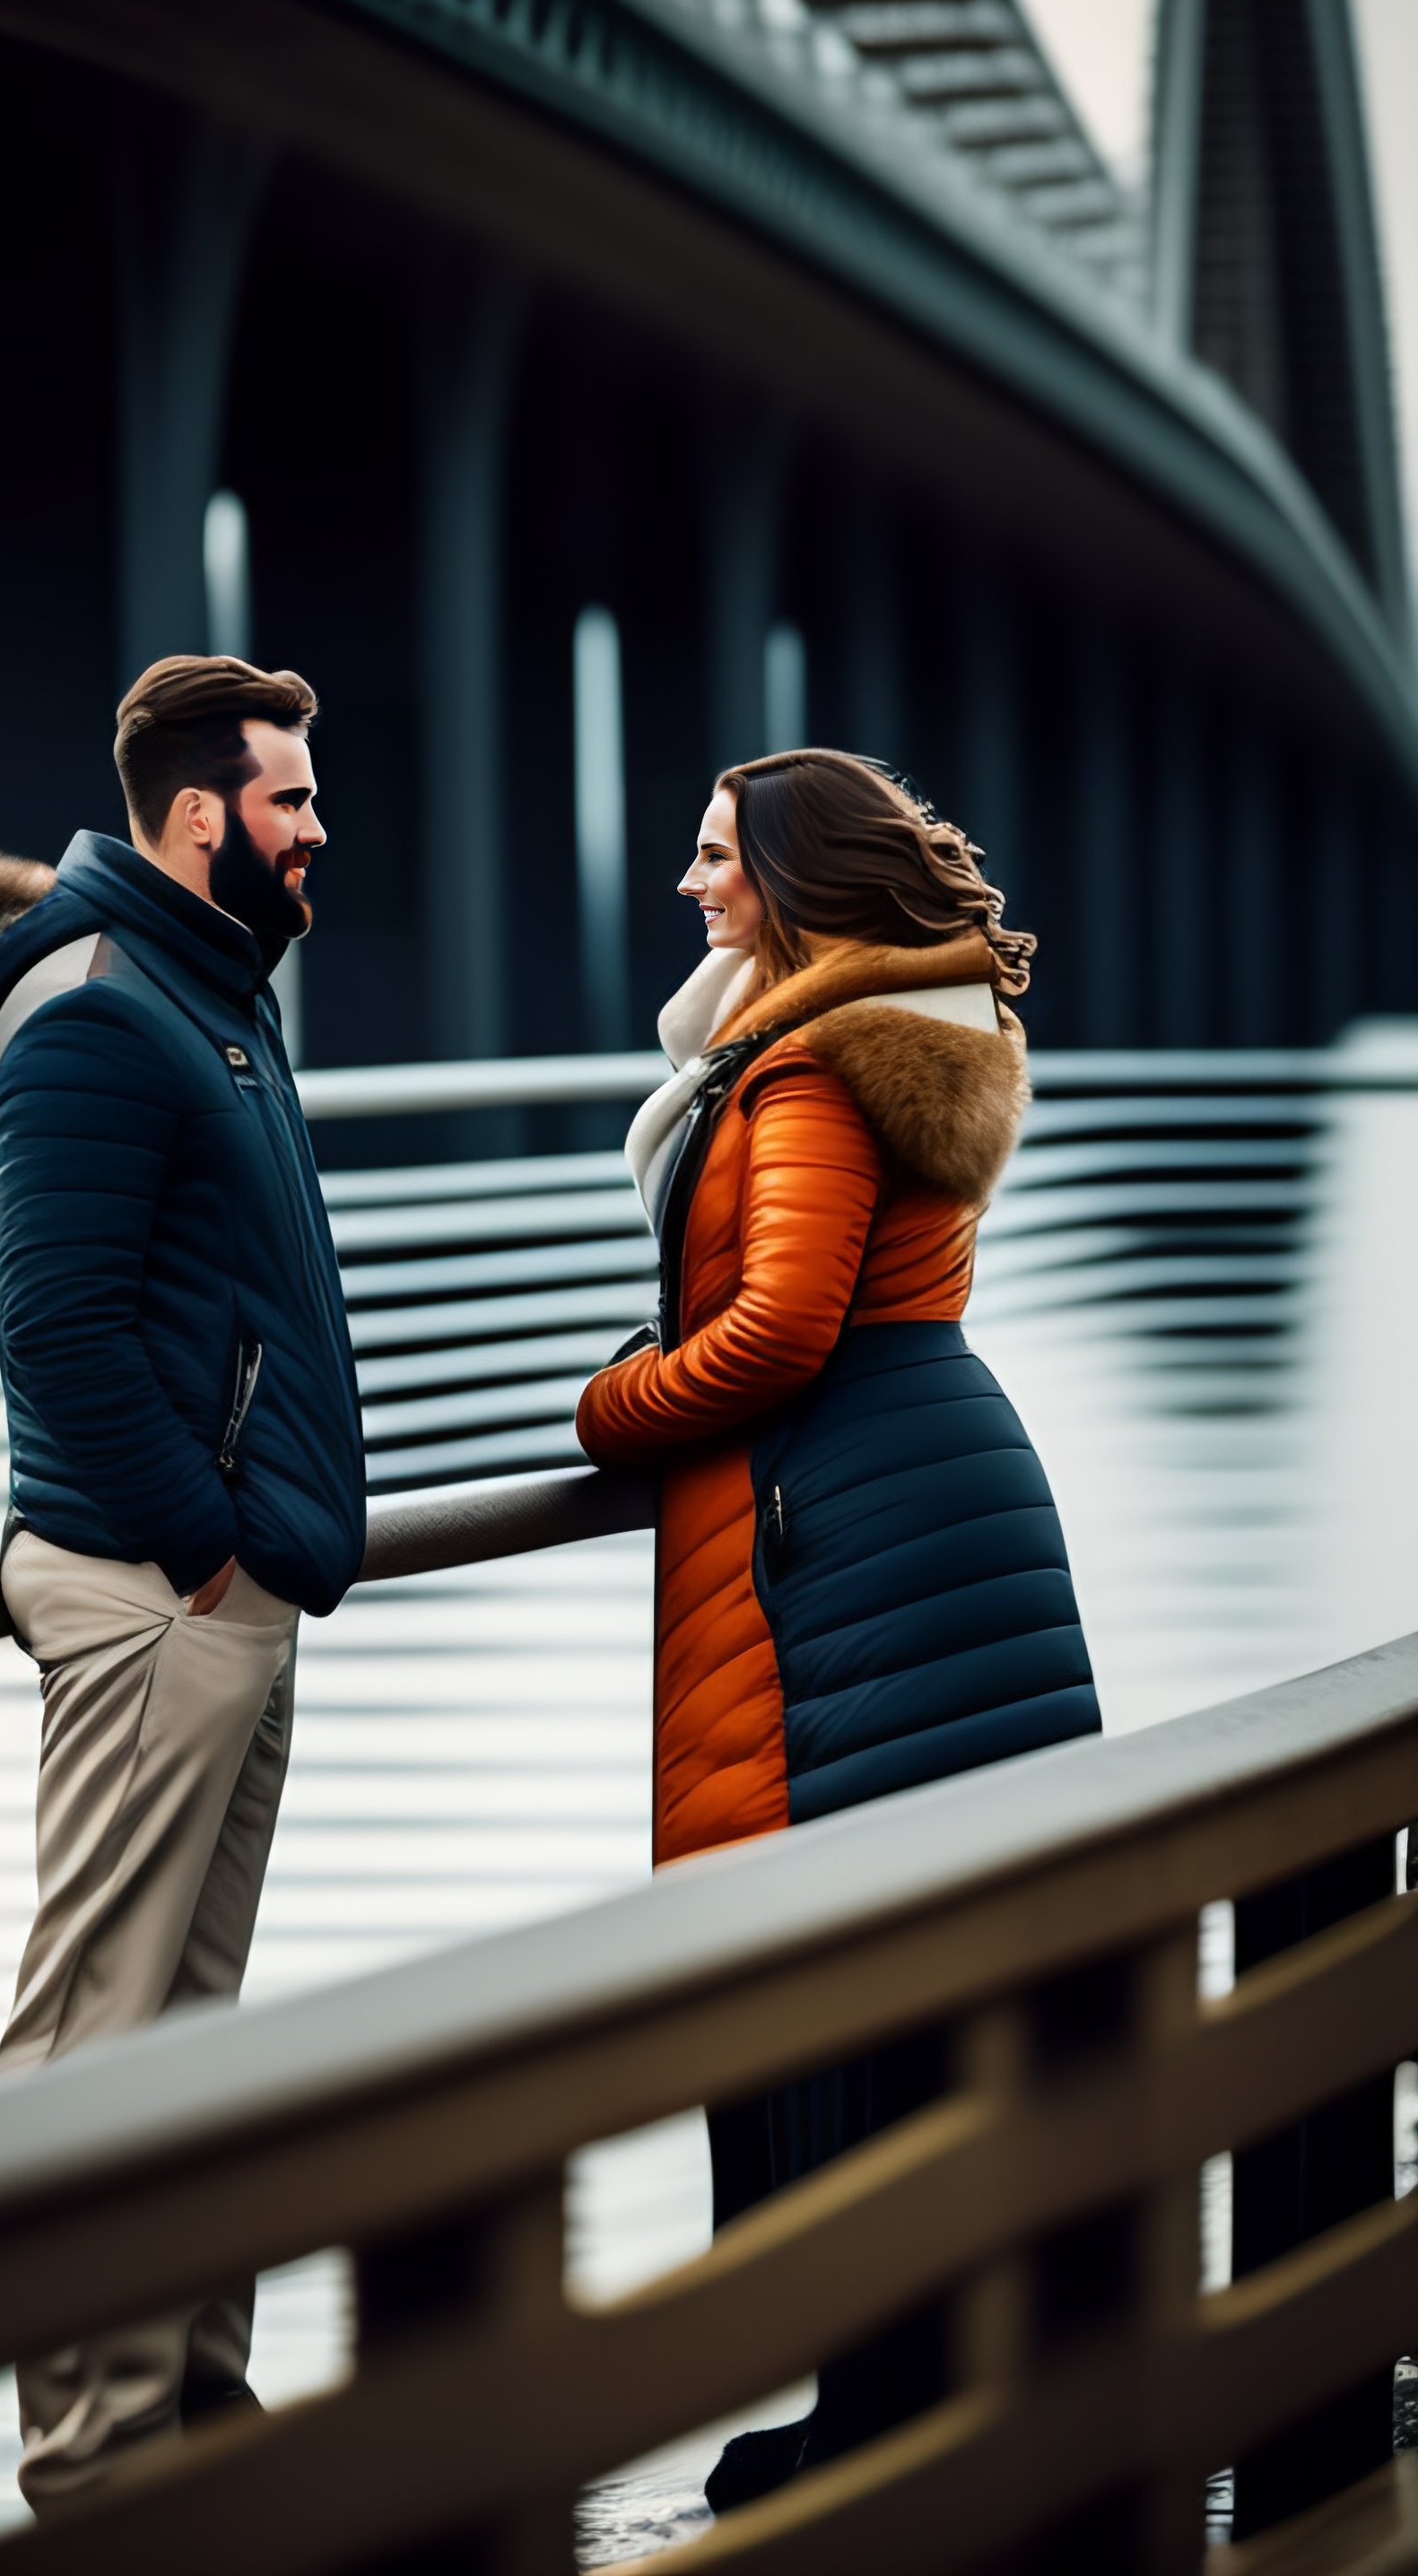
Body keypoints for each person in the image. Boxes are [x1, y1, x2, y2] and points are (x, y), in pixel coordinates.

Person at [576, 746, 1099, 2511]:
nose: (688, 882)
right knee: (932, 1959)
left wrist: (609, 1406)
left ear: (793, 881)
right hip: (937, 1501)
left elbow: (775, 1335)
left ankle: (865, 2414)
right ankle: (918, 2383)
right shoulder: (902, 1034)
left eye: (716, 855)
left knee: (832, 1959)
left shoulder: (801, 1075)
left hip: (852, 1533)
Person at [0, 654, 365, 2506]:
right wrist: (197, 1546)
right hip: (145, 1597)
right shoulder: (100, 1011)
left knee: (188, 2050)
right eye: (292, 801)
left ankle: (196, 2453)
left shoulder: (210, 992)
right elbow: (58, 1330)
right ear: (198, 818)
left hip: (223, 1598)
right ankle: (92, 2487)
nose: (320, 831)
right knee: (98, 2047)